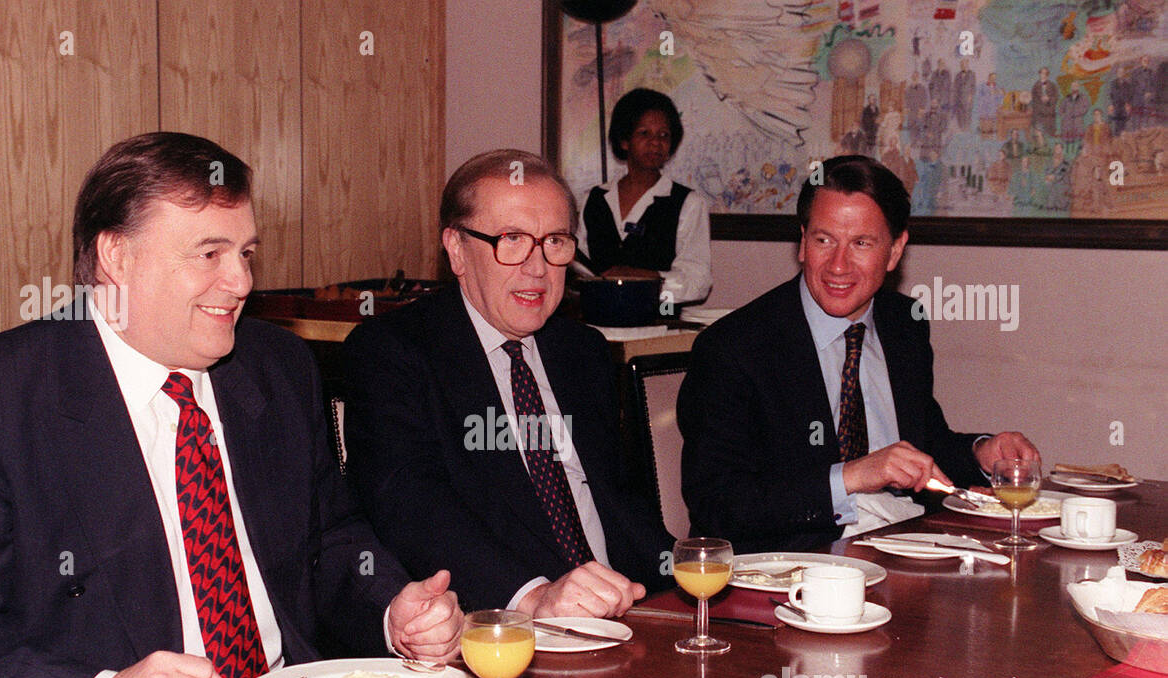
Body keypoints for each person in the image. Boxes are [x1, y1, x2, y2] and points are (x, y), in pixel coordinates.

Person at [0, 132, 463, 678]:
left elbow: (329, 537)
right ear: (116, 257)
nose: (241, 281)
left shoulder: (278, 367)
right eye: (209, 253)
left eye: (245, 253)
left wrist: (390, 608)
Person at [342, 149, 672, 618]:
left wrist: (680, 574)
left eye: (555, 241)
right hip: (505, 628)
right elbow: (413, 507)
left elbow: (621, 502)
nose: (537, 267)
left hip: (627, 610)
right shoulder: (394, 351)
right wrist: (533, 596)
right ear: (456, 249)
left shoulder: (584, 351)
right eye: (512, 239)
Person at [677, 155, 1039, 552]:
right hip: (799, 568)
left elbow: (922, 444)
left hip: (906, 548)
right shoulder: (734, 347)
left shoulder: (904, 324)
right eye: (823, 240)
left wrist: (981, 452)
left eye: (861, 243)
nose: (838, 265)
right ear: (802, 242)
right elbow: (717, 505)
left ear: (895, 251)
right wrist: (849, 477)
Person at [577, 88, 712, 305]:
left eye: (663, 135)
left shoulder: (688, 203)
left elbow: (698, 281)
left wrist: (642, 278)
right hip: (598, 326)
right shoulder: (594, 199)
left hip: (658, 327)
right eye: (644, 133)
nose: (655, 143)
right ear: (624, 141)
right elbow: (578, 267)